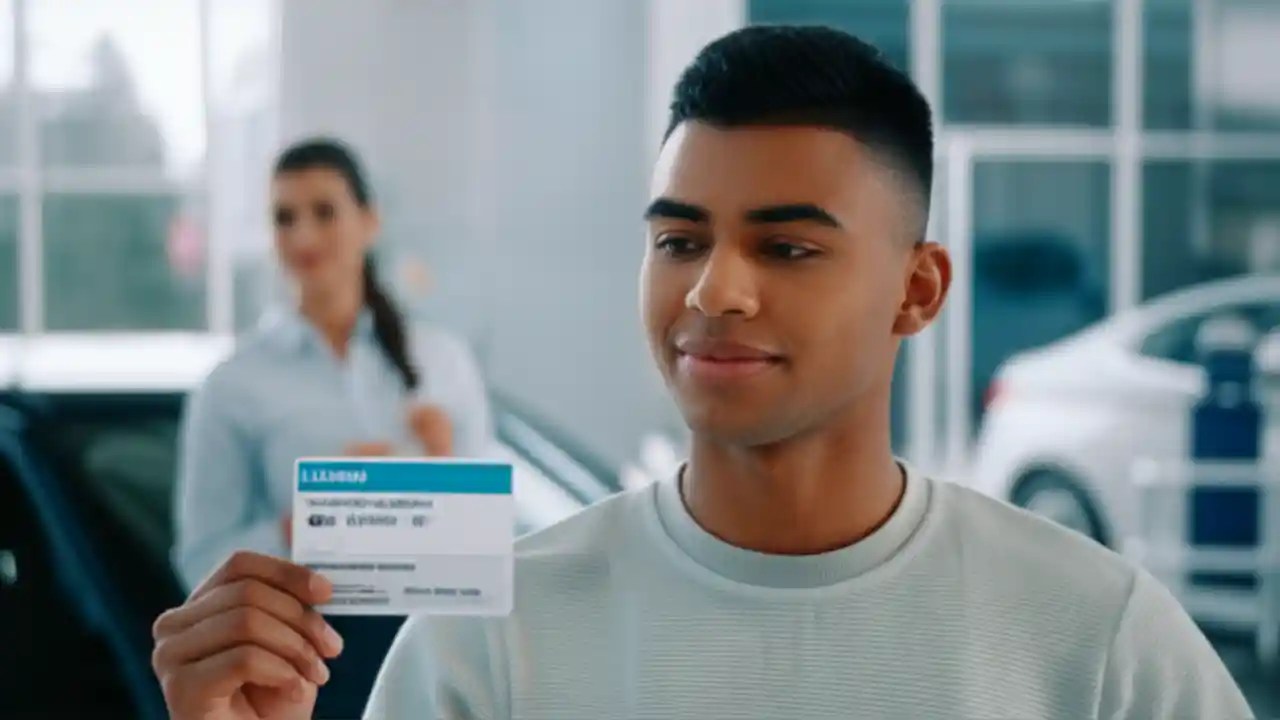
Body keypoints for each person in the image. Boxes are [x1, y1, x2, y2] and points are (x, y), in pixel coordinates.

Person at [152, 27, 1252, 720]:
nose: (711, 291)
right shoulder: (488, 644)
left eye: (784, 246)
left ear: (916, 291)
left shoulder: (1095, 640)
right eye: (678, 239)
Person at [169, 138, 491, 718]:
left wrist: (437, 470)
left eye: (324, 212)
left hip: (441, 659)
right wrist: (308, 524)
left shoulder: (445, 363)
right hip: (302, 669)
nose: (303, 235)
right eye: (284, 217)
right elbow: (199, 560)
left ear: (369, 223)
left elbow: (493, 544)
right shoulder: (231, 386)